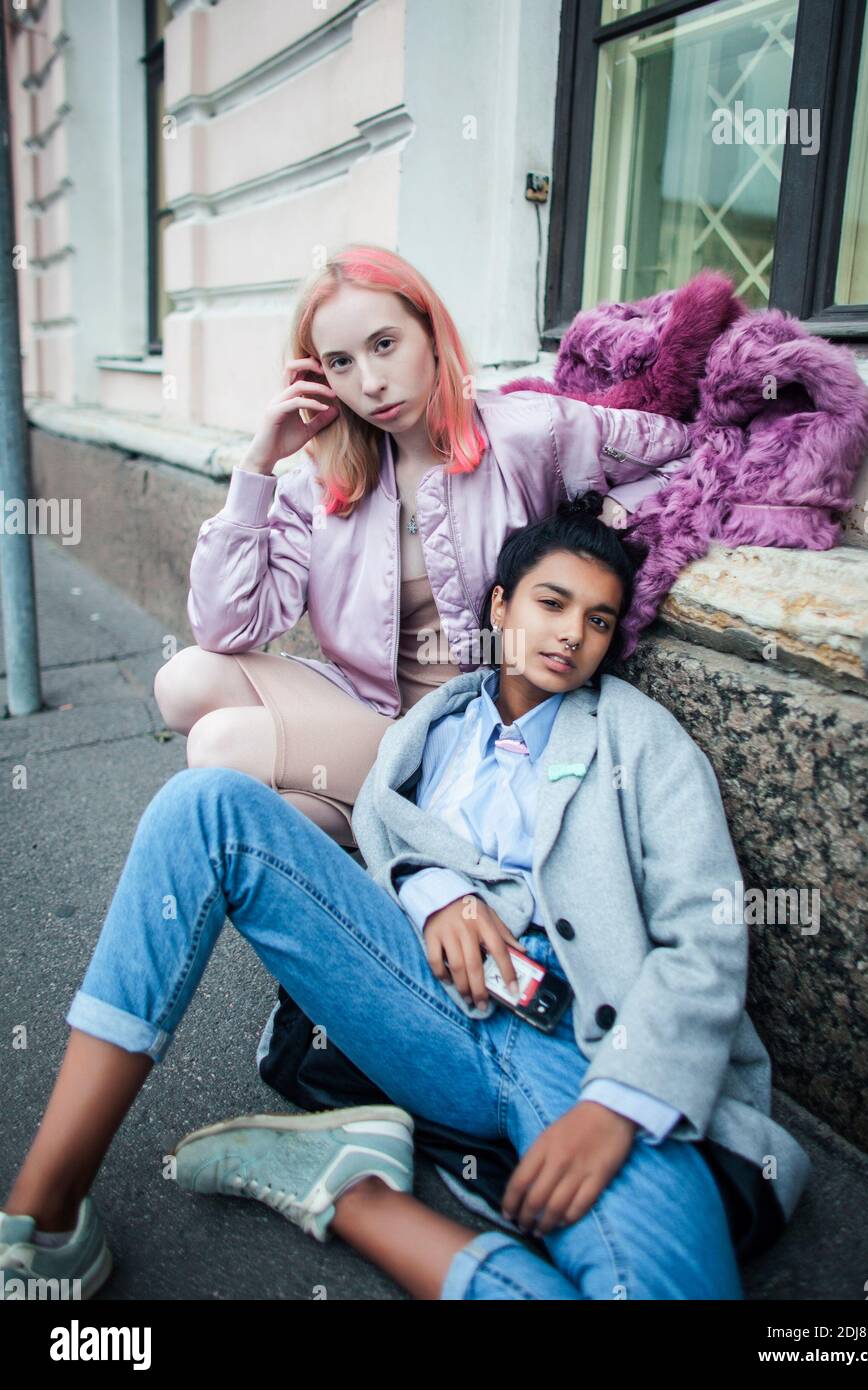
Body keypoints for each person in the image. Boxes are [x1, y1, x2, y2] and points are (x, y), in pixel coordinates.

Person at [0, 492, 809, 1300]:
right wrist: (433, 888)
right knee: (204, 806)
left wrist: (621, 1105)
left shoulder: (639, 739)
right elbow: (387, 840)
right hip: (428, 1007)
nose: (571, 634)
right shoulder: (438, 725)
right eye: (552, 602)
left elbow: (704, 935)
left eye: (598, 620)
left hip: (585, 1047)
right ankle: (47, 1216)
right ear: (500, 604)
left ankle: (355, 1200)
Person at [155, 242, 692, 844]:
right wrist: (257, 467)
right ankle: (395, 827)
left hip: (465, 720)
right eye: (340, 363)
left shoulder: (532, 431)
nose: (372, 382)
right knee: (183, 681)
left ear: (431, 333)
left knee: (220, 747)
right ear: (318, 378)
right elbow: (227, 629)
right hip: (367, 709)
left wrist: (616, 514)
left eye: (385, 344)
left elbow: (684, 448)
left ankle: (390, 823)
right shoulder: (323, 482)